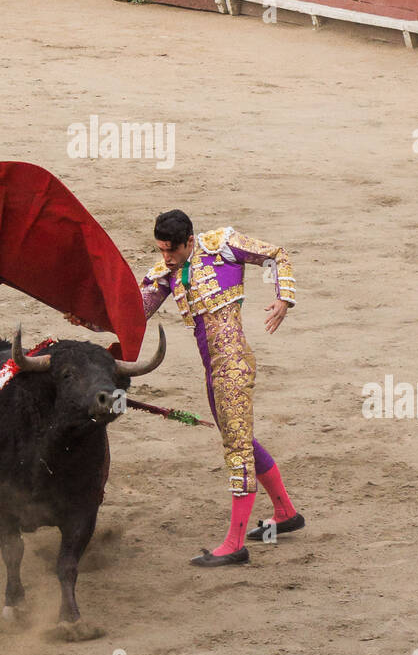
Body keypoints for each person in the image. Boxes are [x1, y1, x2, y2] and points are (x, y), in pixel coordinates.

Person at [129, 211, 301, 566]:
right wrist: (90, 319)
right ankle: (285, 512)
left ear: (189, 241)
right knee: (240, 438)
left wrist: (284, 298)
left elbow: (276, 253)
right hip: (213, 369)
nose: (165, 257)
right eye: (160, 249)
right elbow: (134, 311)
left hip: (233, 366)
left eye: (171, 250)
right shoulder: (167, 271)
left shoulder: (222, 245)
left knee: (237, 446)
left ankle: (235, 544)